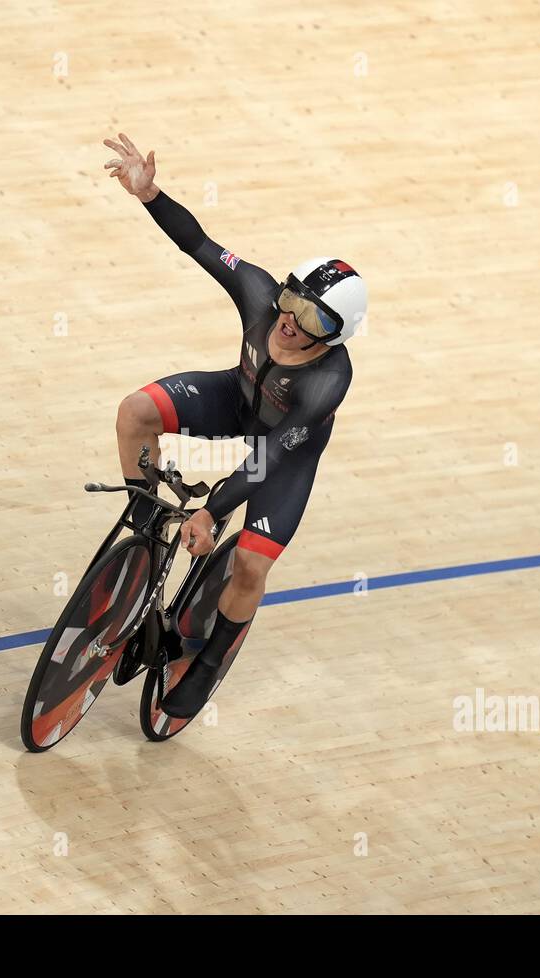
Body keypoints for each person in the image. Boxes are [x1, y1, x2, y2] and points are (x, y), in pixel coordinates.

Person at [103, 133, 366, 719]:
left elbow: (269, 457)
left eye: (314, 318)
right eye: (294, 301)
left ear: (333, 337)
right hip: (235, 396)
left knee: (250, 563)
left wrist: (210, 510)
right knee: (134, 412)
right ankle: (145, 531)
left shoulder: (327, 383)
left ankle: (212, 657)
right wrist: (151, 196)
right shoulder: (259, 294)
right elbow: (199, 242)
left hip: (282, 453)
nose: (293, 321)